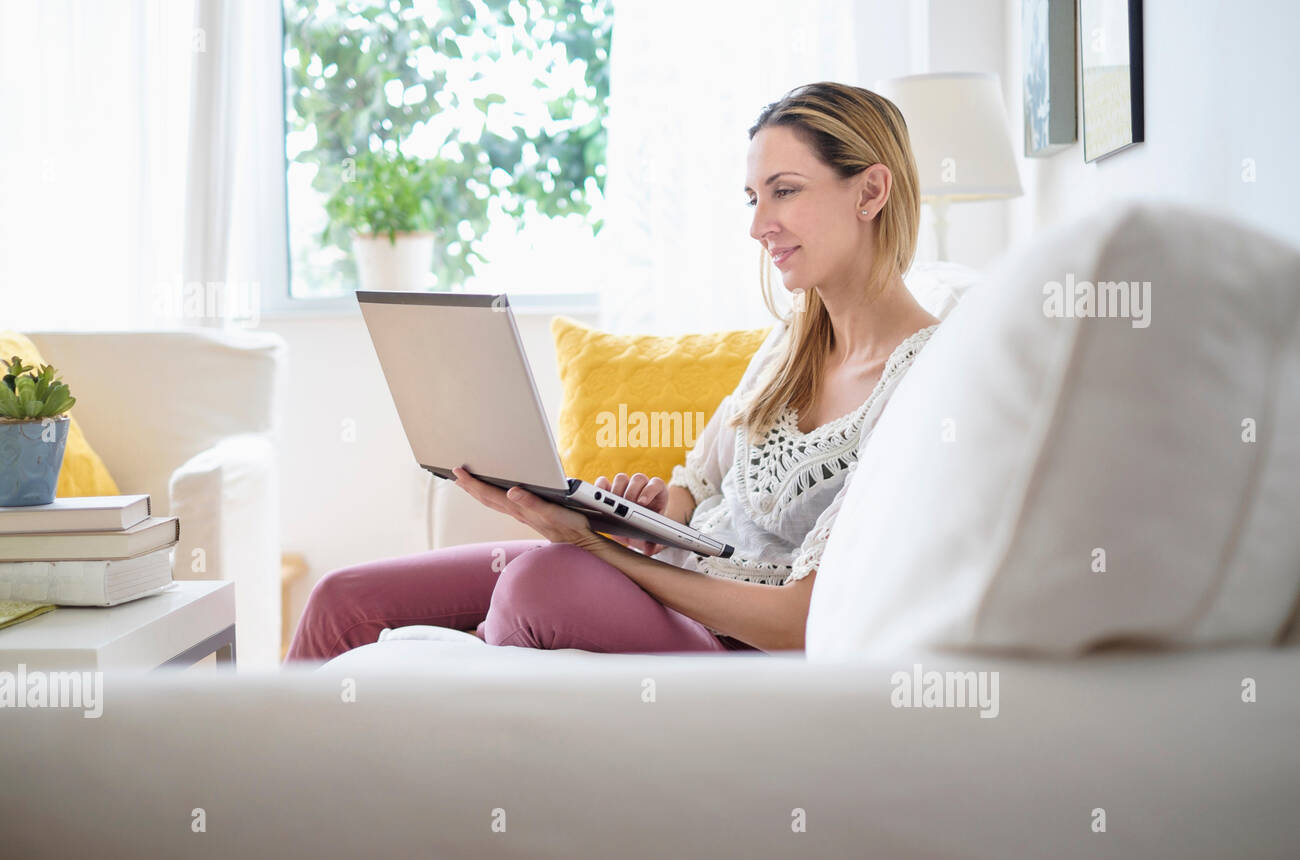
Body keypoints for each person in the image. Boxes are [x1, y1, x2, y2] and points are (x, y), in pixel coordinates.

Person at [284, 80, 940, 664]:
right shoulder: (790, 345)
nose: (758, 226)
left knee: (537, 584)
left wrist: (602, 552)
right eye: (751, 198)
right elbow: (694, 488)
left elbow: (804, 620)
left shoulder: (921, 383)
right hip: (667, 577)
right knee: (343, 600)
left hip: (727, 640)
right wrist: (639, 517)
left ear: (871, 191)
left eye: (785, 192)